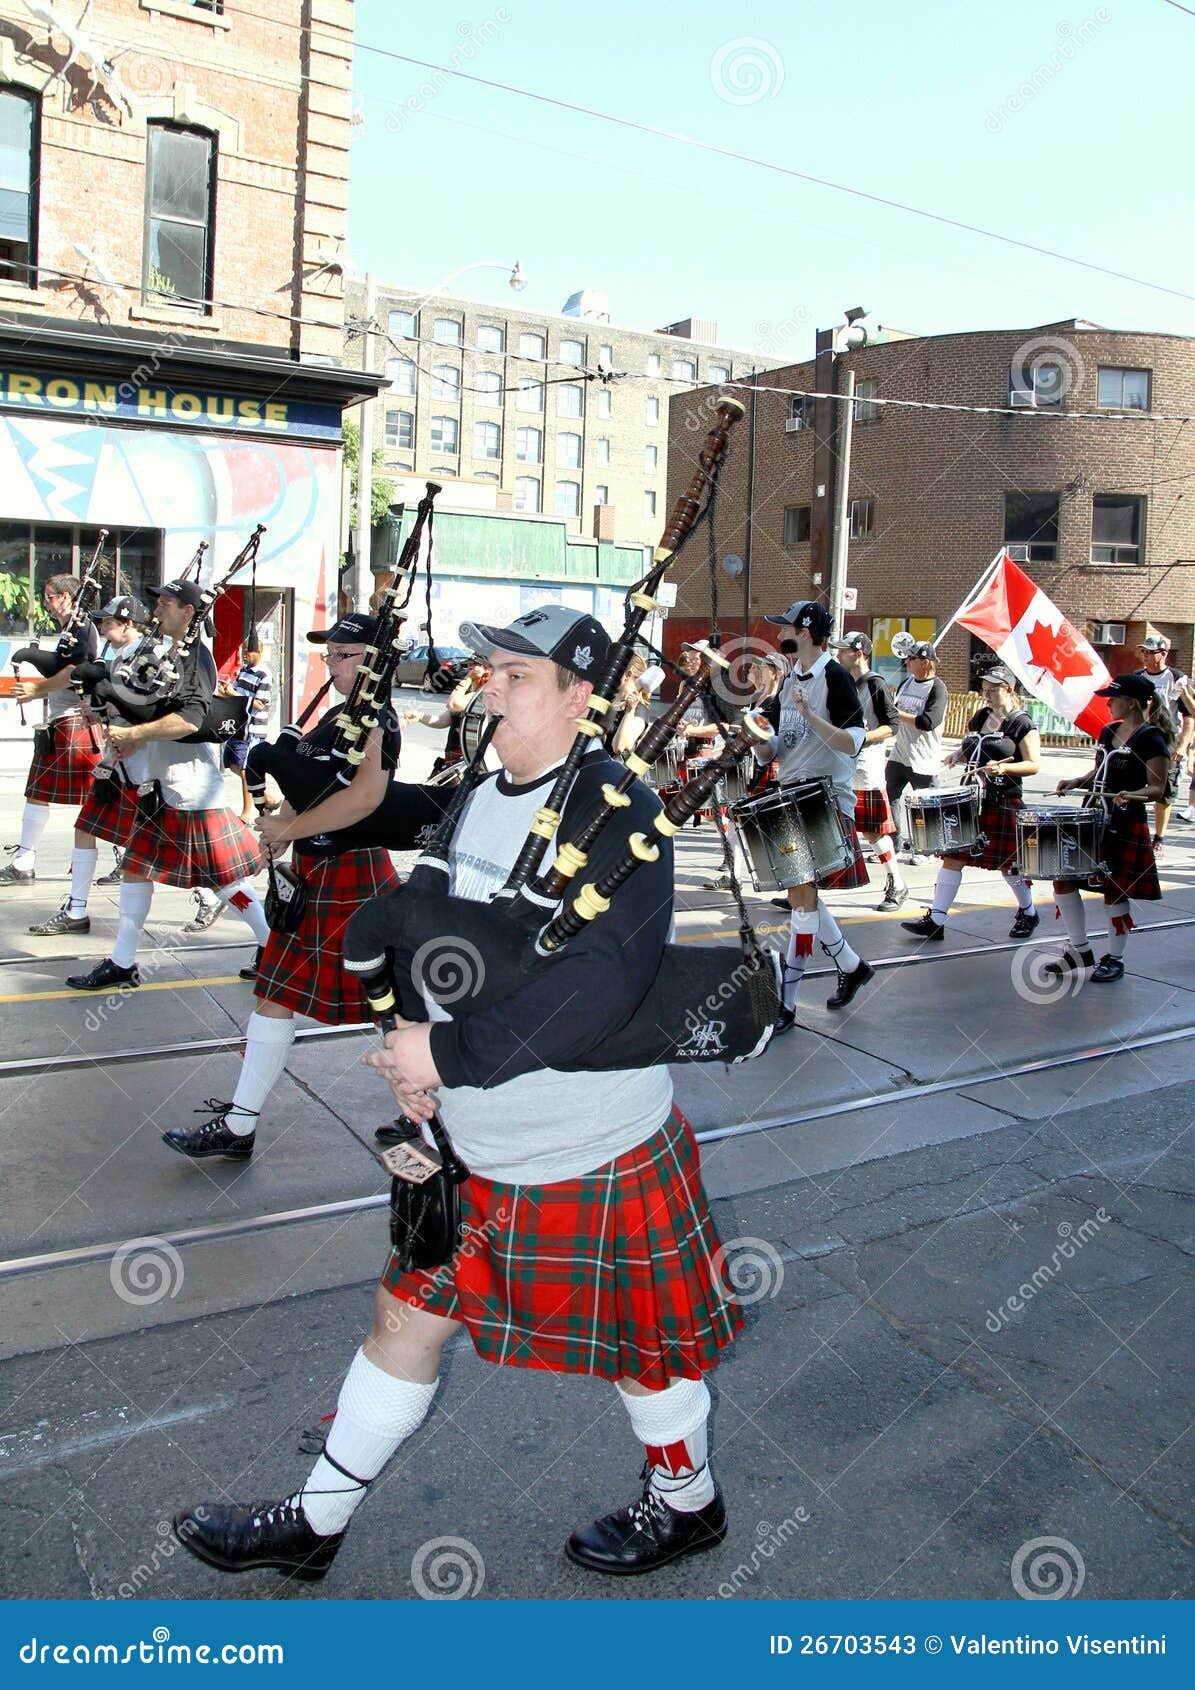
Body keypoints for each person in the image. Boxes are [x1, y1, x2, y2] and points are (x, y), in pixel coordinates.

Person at [173, 605, 741, 1583]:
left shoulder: (621, 812)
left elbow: (594, 987)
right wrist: (404, 1031)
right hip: (471, 1146)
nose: (494, 688)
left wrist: (444, 1053)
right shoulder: (478, 794)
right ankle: (315, 1524)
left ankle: (687, 1503)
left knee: (643, 1350)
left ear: (579, 697)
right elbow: (418, 884)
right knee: (403, 1320)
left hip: (588, 1145)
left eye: (521, 674)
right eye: (491, 670)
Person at [160, 614, 403, 1162]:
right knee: (274, 995)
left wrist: (290, 828)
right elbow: (313, 787)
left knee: (394, 1007)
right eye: (330, 653)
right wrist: (280, 828)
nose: (331, 662)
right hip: (318, 872)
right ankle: (240, 1127)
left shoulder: (377, 720)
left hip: (355, 872)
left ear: (373, 663)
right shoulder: (339, 716)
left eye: (345, 654)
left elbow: (365, 799)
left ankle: (433, 1122)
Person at [63, 579, 270, 992]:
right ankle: (123, 962)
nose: (158, 610)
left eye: (169, 603)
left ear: (190, 612)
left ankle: (274, 948)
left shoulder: (196, 658)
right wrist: (116, 718)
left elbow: (189, 721)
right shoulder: (165, 653)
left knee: (228, 882)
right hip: (159, 785)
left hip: (191, 791)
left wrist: (136, 736)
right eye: (159, 602)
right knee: (136, 871)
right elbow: (149, 709)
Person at [754, 600, 874, 1027]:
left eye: (785, 626)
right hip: (790, 795)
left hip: (824, 798)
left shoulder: (834, 676)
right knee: (801, 897)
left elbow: (854, 742)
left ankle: (787, 1002)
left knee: (802, 901)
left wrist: (809, 715)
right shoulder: (788, 681)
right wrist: (756, 736)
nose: (779, 631)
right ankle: (852, 965)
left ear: (804, 632)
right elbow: (774, 749)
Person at [27, 595, 149, 936]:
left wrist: (115, 716)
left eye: (109, 624)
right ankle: (76, 910)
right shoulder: (119, 655)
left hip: (145, 770)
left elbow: (157, 712)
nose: (104, 631)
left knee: (174, 850)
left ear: (127, 624)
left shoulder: (147, 657)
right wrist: (98, 709)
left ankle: (215, 897)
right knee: (85, 827)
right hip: (117, 765)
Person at [901, 665, 1041, 943]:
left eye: (992, 690)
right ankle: (937, 920)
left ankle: (1029, 911)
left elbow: (1034, 764)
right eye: (984, 689)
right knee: (953, 857)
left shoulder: (1021, 723)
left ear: (1009, 689)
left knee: (1007, 864)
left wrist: (1006, 770)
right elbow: (974, 748)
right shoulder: (980, 717)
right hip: (972, 800)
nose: (986, 694)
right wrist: (957, 755)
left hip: (1003, 801)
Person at [1044, 672, 1169, 983]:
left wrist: (1133, 795)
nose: (1109, 703)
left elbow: (1157, 788)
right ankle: (1078, 950)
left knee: (1113, 891)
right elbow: (1101, 769)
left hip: (1124, 823)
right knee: (1063, 878)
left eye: (1113, 699)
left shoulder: (1151, 738)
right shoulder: (1108, 731)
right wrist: (1078, 781)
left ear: (1131, 702)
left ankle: (1115, 958)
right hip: (1092, 818)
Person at [1, 574, 102, 886]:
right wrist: (32, 658)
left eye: (50, 596)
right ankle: (23, 860)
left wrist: (36, 690)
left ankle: (123, 856)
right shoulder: (69, 629)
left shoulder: (83, 626)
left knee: (97, 797)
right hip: (62, 718)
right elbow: (60, 663)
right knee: (38, 793)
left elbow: (74, 672)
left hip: (76, 719)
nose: (46, 603)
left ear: (68, 597)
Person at [833, 632, 907, 912]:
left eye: (844, 651)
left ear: (859, 652)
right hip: (841, 765)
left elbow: (893, 725)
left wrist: (864, 736)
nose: (839, 655)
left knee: (874, 832)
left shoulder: (875, 684)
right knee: (834, 826)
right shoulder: (842, 683)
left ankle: (897, 883)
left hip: (866, 768)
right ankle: (807, 892)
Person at [1129, 635, 1195, 857]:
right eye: (1144, 652)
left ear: (1163, 654)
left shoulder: (1176, 678)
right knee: (1134, 785)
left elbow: (1189, 716)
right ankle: (1137, 833)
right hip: (1141, 739)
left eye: (1150, 652)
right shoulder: (1138, 677)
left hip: (1167, 741)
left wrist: (1182, 745)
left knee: (1164, 792)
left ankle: (1159, 838)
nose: (1146, 656)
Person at [885, 640, 947, 864]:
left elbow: (928, 722)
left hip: (923, 757)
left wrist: (896, 713)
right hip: (899, 753)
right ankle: (893, 844)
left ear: (926, 662)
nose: (907, 663)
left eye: (912, 659)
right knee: (890, 796)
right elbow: (895, 712)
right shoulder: (907, 683)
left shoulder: (937, 688)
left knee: (925, 805)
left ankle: (927, 849)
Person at [404, 656, 489, 776]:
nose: (470, 667)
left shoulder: (483, 695)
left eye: (475, 664)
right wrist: (420, 716)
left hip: (467, 760)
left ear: (487, 669)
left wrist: (468, 678)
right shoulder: (470, 694)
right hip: (454, 758)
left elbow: (453, 704)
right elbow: (443, 720)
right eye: (470, 664)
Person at [224, 641, 274, 825]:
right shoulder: (245, 670)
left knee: (245, 770)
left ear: (259, 652)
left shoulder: (264, 674)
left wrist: (234, 694)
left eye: (248, 651)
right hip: (238, 725)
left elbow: (260, 704)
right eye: (243, 651)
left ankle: (247, 812)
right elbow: (235, 690)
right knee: (232, 765)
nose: (244, 654)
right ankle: (267, 795)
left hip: (253, 728)